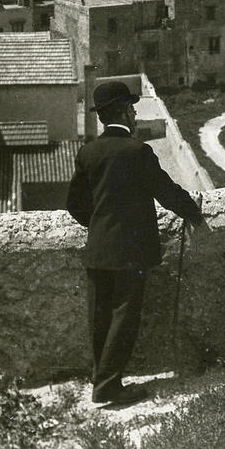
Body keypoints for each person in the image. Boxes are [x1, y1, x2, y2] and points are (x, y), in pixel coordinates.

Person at [67, 80, 203, 405]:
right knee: (124, 317)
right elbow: (167, 192)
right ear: (125, 112)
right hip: (131, 251)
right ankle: (108, 385)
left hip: (98, 250)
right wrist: (193, 213)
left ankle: (100, 377)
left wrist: (98, 226)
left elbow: (74, 204)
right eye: (132, 109)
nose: (135, 114)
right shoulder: (138, 152)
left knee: (100, 317)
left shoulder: (88, 153)